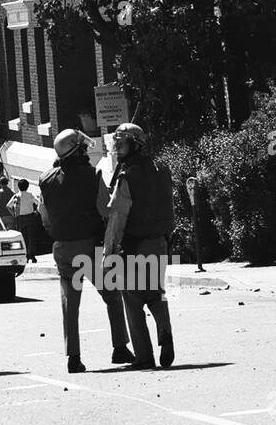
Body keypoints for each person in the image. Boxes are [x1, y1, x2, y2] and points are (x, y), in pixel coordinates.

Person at [39, 129, 134, 374]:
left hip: (61, 247)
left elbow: (45, 217)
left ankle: (73, 356)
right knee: (112, 295)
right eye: (82, 147)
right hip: (89, 245)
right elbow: (106, 210)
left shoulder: (45, 179)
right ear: (78, 150)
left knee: (70, 305)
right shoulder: (92, 175)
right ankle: (120, 347)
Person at [104, 122, 176, 369]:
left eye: (122, 144)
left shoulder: (127, 176)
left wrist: (109, 253)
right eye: (117, 144)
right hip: (159, 243)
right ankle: (165, 333)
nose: (119, 149)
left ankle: (144, 357)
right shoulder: (161, 169)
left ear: (135, 145)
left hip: (133, 246)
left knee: (133, 301)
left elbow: (117, 217)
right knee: (156, 294)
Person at [8, 178, 39, 263]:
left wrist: (14, 214)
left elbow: (8, 206)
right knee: (31, 237)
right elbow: (37, 202)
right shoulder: (30, 195)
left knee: (23, 237)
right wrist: (35, 211)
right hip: (30, 217)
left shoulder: (16, 196)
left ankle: (25, 255)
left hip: (20, 218)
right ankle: (32, 255)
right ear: (28, 186)